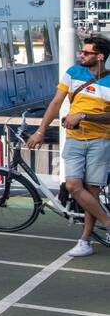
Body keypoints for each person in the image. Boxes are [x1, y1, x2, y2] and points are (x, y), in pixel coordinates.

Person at [26, 35, 110, 256]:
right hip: (74, 139)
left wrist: (84, 115)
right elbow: (56, 103)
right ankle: (108, 223)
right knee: (73, 186)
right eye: (82, 51)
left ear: (100, 57)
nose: (81, 55)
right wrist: (40, 131)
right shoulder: (73, 73)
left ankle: (85, 240)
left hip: (100, 141)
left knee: (92, 191)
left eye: (86, 52)